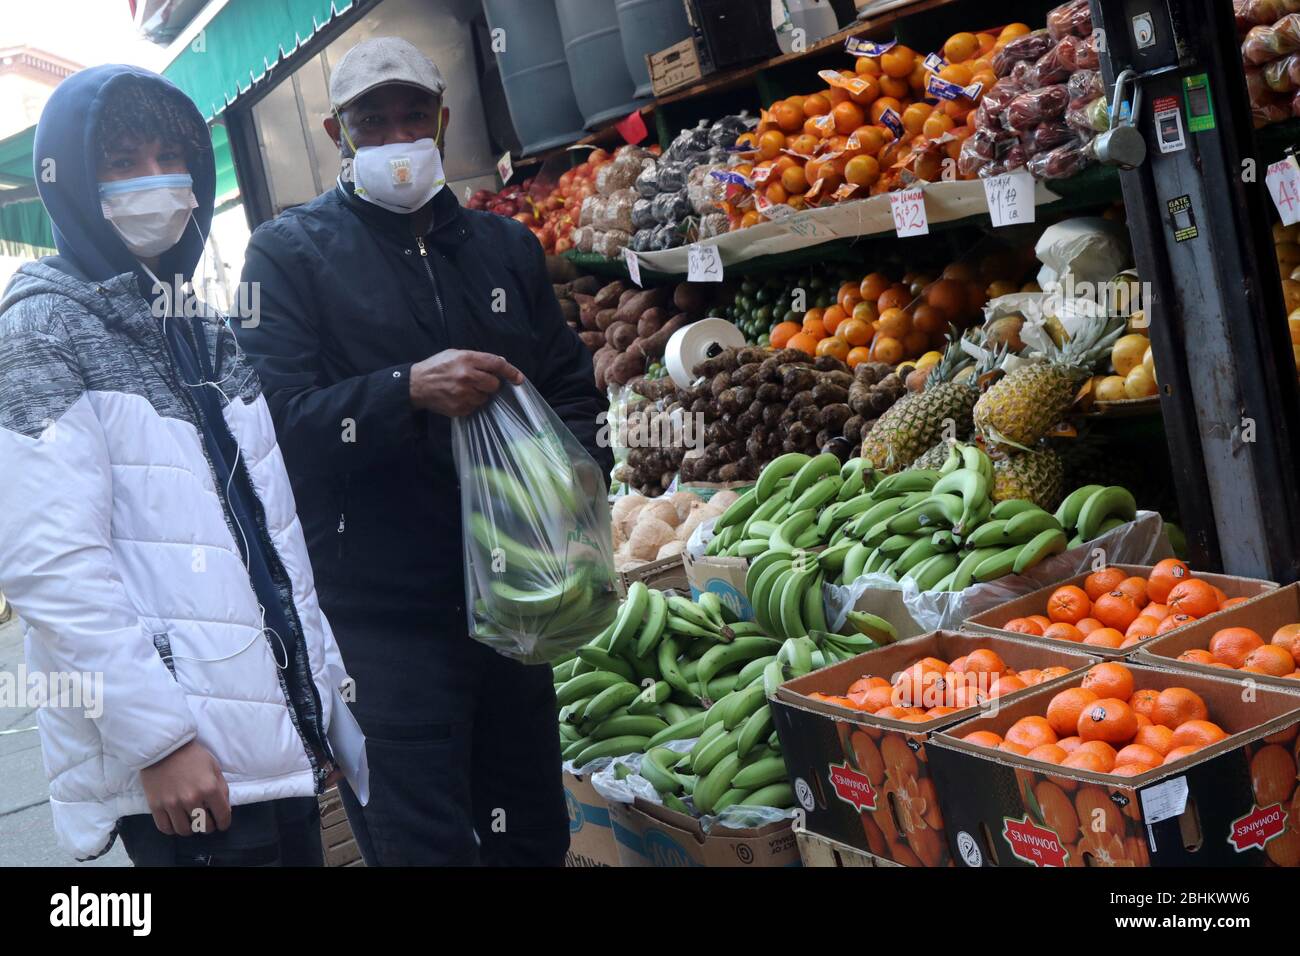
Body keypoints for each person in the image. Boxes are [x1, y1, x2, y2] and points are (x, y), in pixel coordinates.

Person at [237, 37, 610, 866]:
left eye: (414, 116)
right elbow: (278, 427)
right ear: (338, 132)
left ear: (443, 121)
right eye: (373, 123)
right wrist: (404, 389)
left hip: (519, 604)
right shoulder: (288, 255)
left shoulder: (502, 248)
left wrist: (573, 486)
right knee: (422, 848)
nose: (396, 137)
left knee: (532, 838)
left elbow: (571, 388)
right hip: (384, 624)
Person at [0, 65, 355, 866]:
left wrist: (318, 708)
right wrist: (158, 741)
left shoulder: (198, 320)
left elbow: (272, 533)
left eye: (170, 156)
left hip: (267, 749)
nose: (154, 180)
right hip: (184, 773)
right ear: (72, 184)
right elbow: (51, 567)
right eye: (121, 163)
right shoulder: (41, 328)